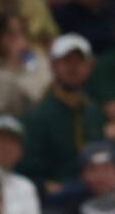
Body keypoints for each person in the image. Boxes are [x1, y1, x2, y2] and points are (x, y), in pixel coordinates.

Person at [19, 34, 105, 193]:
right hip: (57, 197)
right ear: (53, 66)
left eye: (80, 61)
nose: (74, 67)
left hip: (96, 192)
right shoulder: (37, 116)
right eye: (66, 61)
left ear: (89, 66)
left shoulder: (94, 112)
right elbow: (27, 170)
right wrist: (47, 186)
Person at [0, 11, 51, 121]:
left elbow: (40, 97)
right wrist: (11, 67)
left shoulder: (38, 62)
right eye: (11, 34)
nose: (18, 39)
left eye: (22, 32)